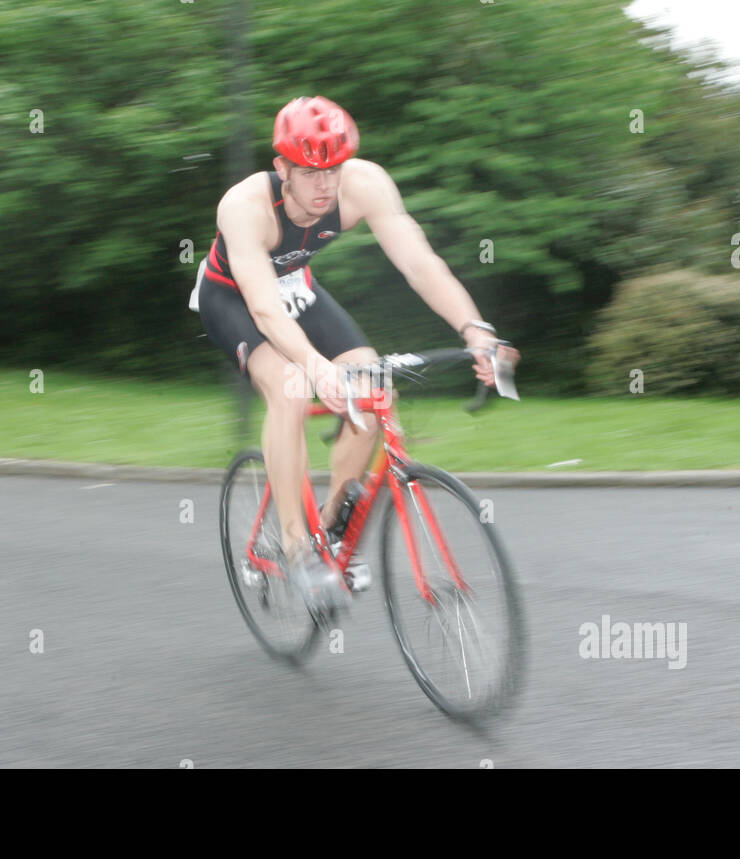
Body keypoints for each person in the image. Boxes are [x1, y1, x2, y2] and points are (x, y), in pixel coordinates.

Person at [191, 96, 519, 613]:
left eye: (334, 170)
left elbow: (420, 264)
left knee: (371, 391)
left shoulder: (364, 184)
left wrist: (474, 329)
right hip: (235, 298)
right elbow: (264, 309)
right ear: (282, 168)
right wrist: (317, 369)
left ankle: (330, 532)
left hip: (297, 287)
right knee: (291, 389)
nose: (325, 186)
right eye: (309, 172)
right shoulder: (244, 205)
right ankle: (298, 547)